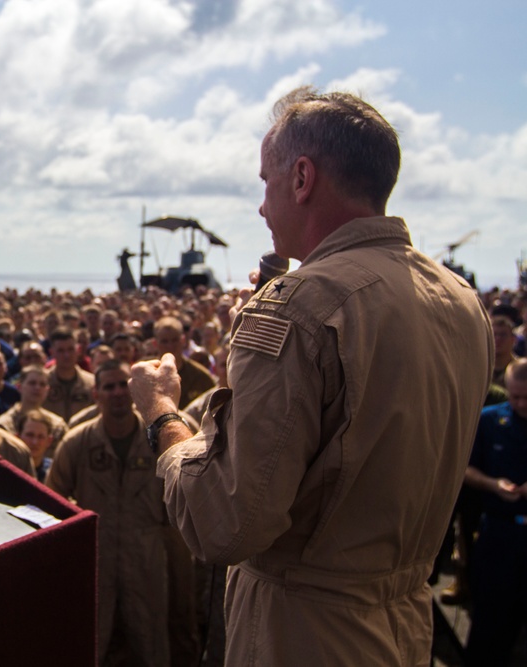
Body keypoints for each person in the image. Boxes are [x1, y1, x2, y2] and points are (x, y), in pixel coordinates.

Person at [129, 87, 493, 665]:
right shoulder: (458, 298)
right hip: (402, 627)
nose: (261, 205)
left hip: (303, 634)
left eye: (265, 181)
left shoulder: (299, 305)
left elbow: (225, 522)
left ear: (302, 178)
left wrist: (161, 416)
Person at [46, 360, 174, 664]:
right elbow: (51, 501)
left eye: (122, 385)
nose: (117, 392)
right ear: (96, 394)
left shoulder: (157, 439)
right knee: (92, 640)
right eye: (108, 386)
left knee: (153, 641)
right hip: (96, 559)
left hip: (148, 557)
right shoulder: (77, 443)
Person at [463, 358, 527, 666]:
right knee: (489, 622)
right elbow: (466, 469)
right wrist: (492, 484)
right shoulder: (489, 420)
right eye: (515, 397)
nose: (521, 404)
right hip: (498, 534)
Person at [0, 365, 67, 451]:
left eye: (42, 384)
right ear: (19, 387)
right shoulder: (4, 425)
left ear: (47, 390)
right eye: (32, 383)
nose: (37, 388)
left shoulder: (57, 426)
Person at [43, 328, 95, 422]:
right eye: (61, 351)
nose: (67, 355)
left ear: (78, 350)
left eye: (70, 349)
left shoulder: (91, 383)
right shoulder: (41, 383)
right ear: (52, 352)